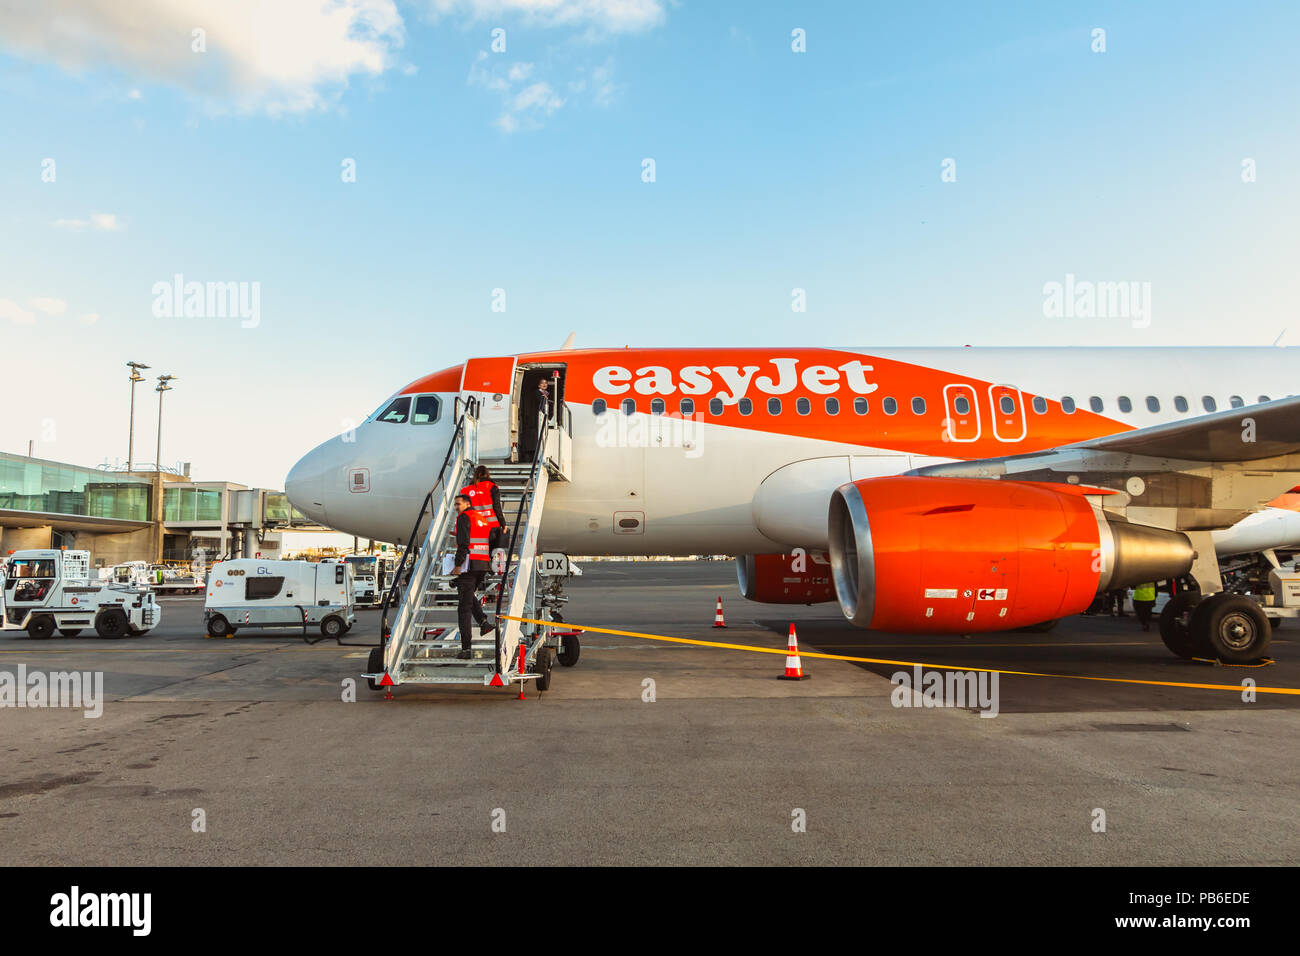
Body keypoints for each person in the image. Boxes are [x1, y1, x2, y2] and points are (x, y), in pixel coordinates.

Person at [452, 494, 495, 658]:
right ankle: (483, 623)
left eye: (458, 504)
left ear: (467, 504)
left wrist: (457, 565)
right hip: (482, 565)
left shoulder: (464, 517)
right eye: (455, 505)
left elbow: (463, 543)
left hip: (469, 566)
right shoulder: (481, 518)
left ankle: (466, 649)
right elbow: (488, 538)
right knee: (468, 596)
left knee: (463, 608)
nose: (456, 508)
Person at [460, 465, 506, 561]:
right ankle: (492, 565)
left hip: (475, 526)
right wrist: (503, 524)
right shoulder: (492, 487)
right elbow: (497, 507)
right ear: (487, 474)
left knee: (477, 551)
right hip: (492, 525)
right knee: (493, 549)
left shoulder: (466, 490)